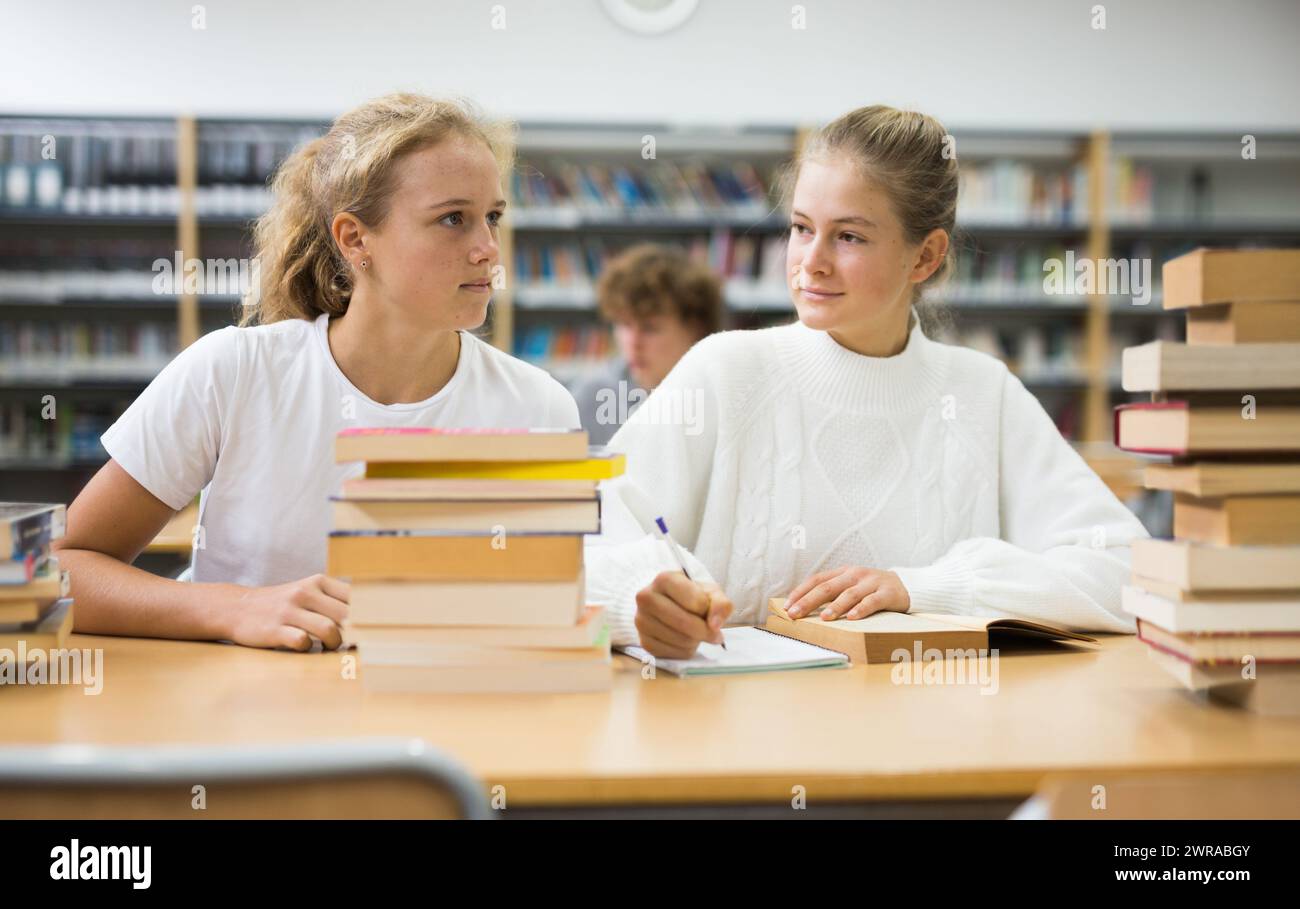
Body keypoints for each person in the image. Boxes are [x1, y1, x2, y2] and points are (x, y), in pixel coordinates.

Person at [586, 104, 1148, 659]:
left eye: (849, 237)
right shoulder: (725, 371)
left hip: (927, 739)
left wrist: (926, 589)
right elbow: (586, 537)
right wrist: (637, 601)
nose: (811, 262)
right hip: (743, 738)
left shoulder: (983, 395)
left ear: (925, 256)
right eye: (802, 228)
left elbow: (1130, 571)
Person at [54, 93, 579, 652]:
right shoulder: (233, 371)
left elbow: (560, 602)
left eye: (492, 217)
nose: (488, 250)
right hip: (243, 719)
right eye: (453, 219)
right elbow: (65, 568)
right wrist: (234, 608)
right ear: (355, 239)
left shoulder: (537, 406)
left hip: (442, 719)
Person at [570, 243, 721, 445]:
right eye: (624, 324)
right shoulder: (590, 399)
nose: (633, 343)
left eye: (650, 328)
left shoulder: (723, 399)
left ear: (696, 329)